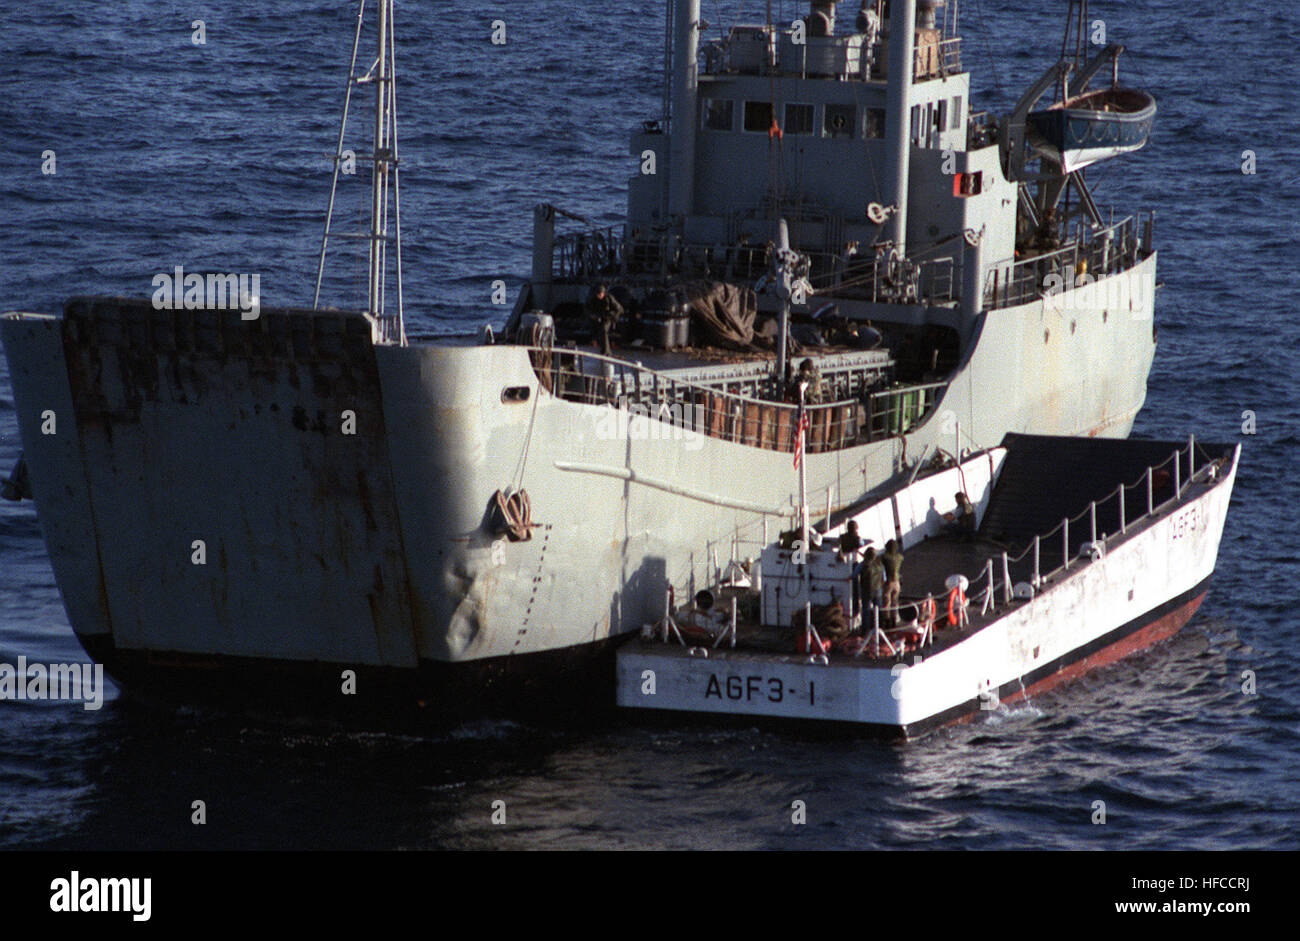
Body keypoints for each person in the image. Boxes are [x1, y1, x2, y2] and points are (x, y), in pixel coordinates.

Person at [585, 284, 623, 356]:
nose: (599, 296)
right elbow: (588, 309)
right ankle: (603, 349)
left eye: (600, 294)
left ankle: (606, 351)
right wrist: (593, 316)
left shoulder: (609, 298)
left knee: (603, 330)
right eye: (598, 294)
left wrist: (613, 316)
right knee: (599, 332)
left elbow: (619, 309)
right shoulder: (593, 299)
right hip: (599, 317)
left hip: (609, 318)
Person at [860, 546, 885, 632]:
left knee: (866, 610)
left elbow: (854, 575)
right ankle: (880, 628)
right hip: (878, 590)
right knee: (878, 610)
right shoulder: (879, 564)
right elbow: (883, 578)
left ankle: (865, 629)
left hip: (867, 590)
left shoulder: (863, 564)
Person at [881, 538, 903, 626]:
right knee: (895, 602)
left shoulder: (885, 557)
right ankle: (894, 621)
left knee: (887, 603)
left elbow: (877, 560)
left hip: (888, 582)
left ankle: (887, 621)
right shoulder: (900, 557)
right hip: (897, 582)